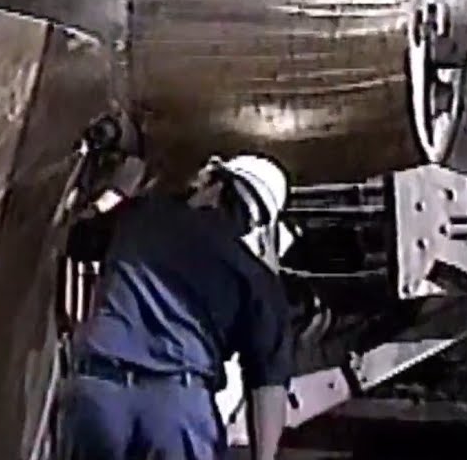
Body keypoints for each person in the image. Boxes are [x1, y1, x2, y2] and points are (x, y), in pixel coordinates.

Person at [59, 151, 294, 460]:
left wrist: (118, 190)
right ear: (253, 222)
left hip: (100, 396)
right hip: (177, 410)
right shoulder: (256, 278)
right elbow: (268, 383)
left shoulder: (141, 214)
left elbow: (76, 239)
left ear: (217, 186)